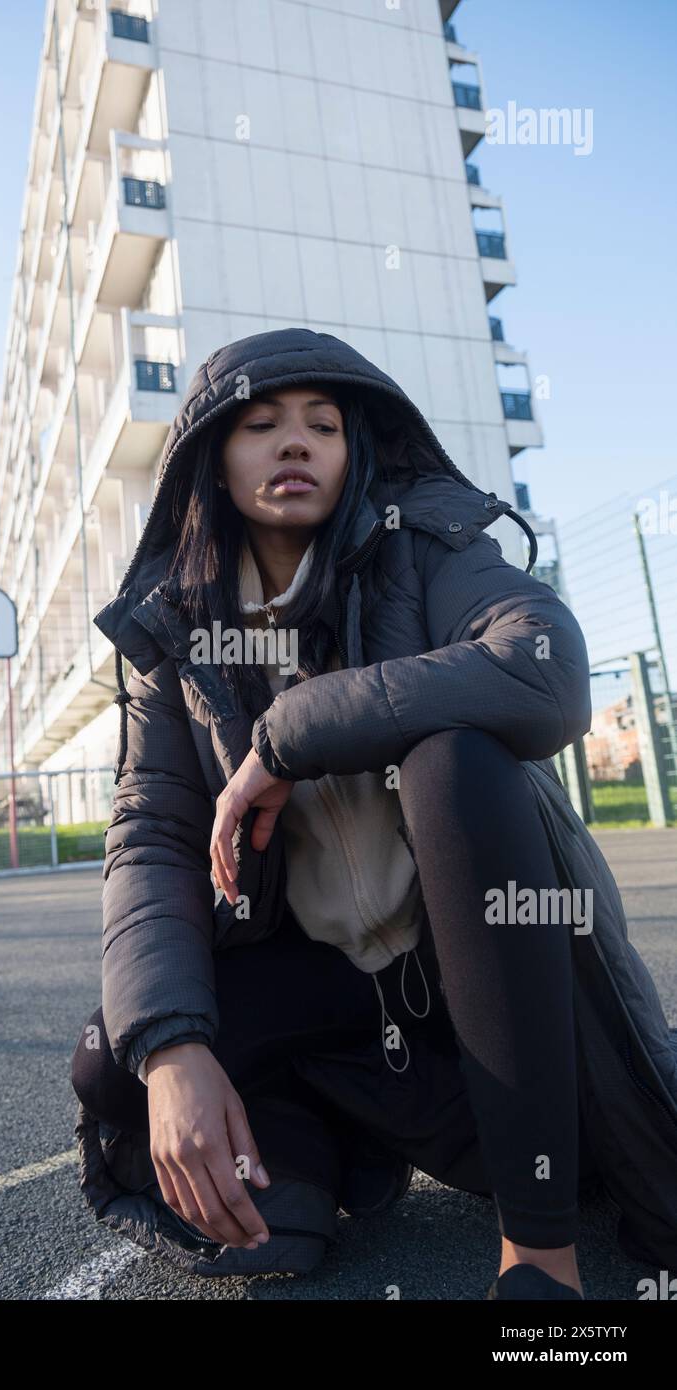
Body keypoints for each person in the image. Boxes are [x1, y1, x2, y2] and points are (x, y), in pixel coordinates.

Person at [72, 328, 677, 1298]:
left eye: (321, 423)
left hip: (500, 1014)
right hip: (351, 1017)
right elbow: (150, 834)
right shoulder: (168, 631)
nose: (293, 441)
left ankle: (537, 1255)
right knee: (119, 1054)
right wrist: (173, 1050)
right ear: (210, 463)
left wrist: (285, 736)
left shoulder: (426, 544)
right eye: (260, 424)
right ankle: (298, 1174)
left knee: (452, 764)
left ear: (354, 449)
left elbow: (545, 666)